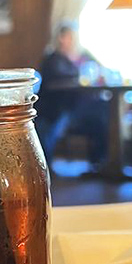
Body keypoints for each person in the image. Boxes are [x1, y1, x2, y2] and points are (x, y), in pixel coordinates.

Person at [36, 23, 109, 165]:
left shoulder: (83, 55)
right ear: (59, 38)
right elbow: (57, 78)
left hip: (74, 105)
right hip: (55, 106)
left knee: (103, 110)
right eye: (66, 36)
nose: (69, 40)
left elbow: (99, 69)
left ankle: (101, 161)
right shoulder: (53, 59)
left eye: (71, 37)